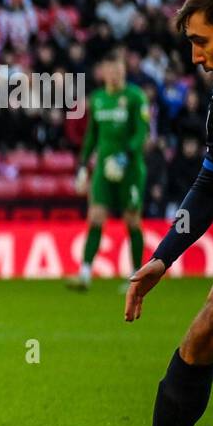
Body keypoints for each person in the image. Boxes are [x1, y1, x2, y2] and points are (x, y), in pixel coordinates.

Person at [114, 0, 213, 426]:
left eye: (201, 41)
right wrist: (162, 258)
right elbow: (212, 184)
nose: (195, 57)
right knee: (209, 326)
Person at [66, 52, 149, 292]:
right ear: (103, 72)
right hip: (103, 168)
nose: (113, 75)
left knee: (132, 220)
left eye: (118, 70)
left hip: (130, 168)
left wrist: (126, 155)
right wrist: (83, 164)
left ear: (123, 71)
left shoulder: (135, 97)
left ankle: (136, 276)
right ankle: (84, 275)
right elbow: (92, 134)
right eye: (109, 70)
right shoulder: (98, 99)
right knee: (95, 216)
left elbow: (141, 132)